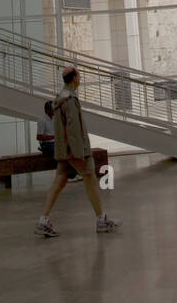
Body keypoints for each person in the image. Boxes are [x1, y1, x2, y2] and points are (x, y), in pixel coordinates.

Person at [35, 66, 120, 237]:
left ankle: (43, 220)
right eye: (79, 76)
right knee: (91, 179)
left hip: (63, 151)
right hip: (75, 151)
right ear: (74, 79)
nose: (80, 78)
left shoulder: (59, 98)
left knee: (59, 182)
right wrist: (79, 154)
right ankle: (101, 220)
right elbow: (73, 129)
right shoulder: (70, 100)